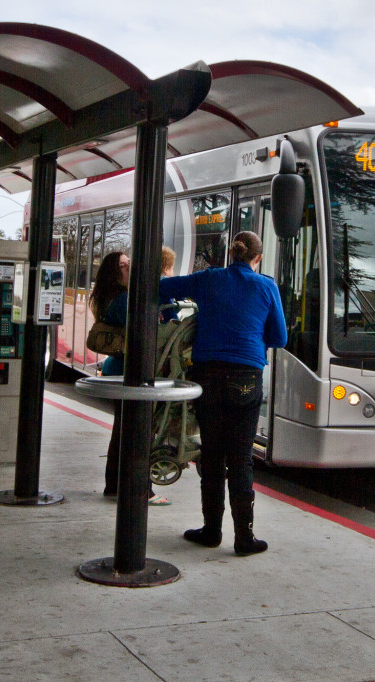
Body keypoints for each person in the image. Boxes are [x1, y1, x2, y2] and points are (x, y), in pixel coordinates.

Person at [159, 231, 287, 556]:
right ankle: (245, 537)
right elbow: (279, 337)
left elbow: (163, 287)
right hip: (246, 376)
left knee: (213, 455)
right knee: (241, 458)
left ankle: (211, 530)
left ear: (232, 253)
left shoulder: (209, 279)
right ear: (257, 258)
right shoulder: (267, 286)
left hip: (208, 375)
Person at [88, 251, 170, 506]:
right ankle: (141, 489)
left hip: (118, 370)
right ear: (113, 273)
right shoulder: (124, 299)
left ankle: (114, 485)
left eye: (128, 263)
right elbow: (150, 326)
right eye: (123, 266)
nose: (128, 268)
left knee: (123, 431)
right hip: (129, 371)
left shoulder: (110, 297)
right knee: (138, 432)